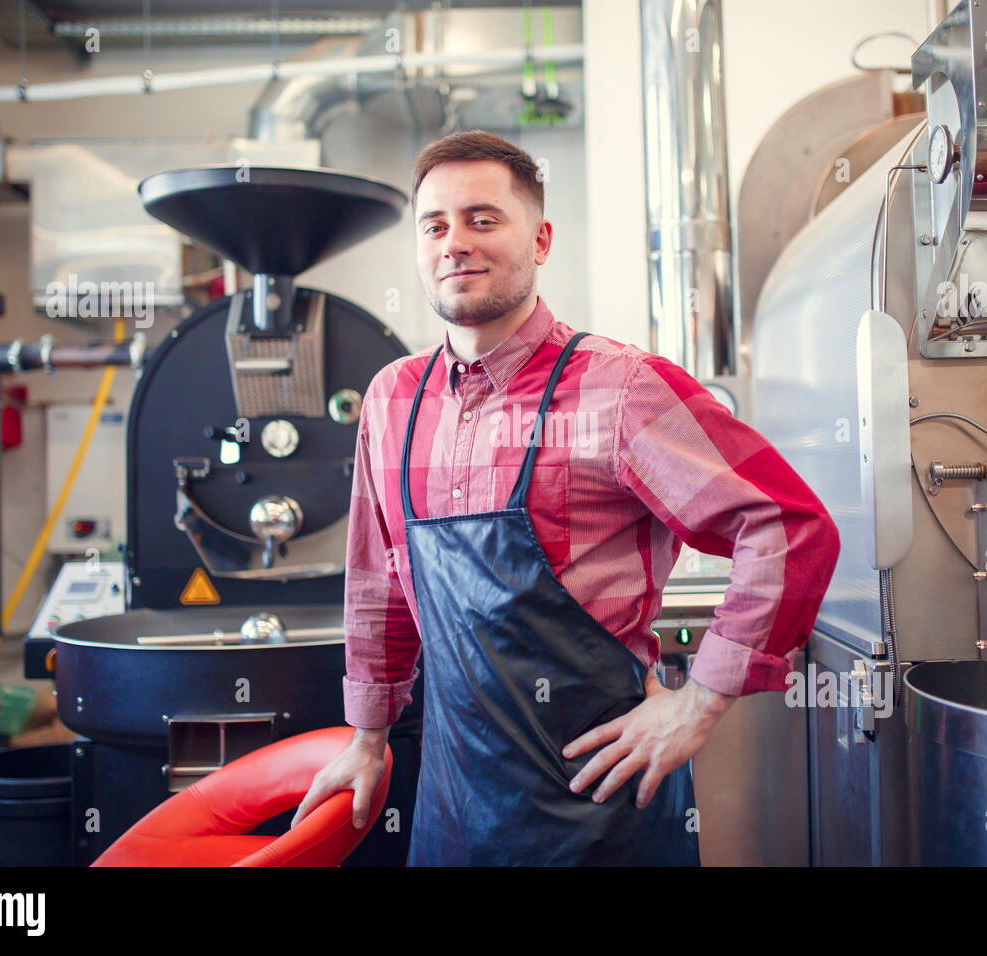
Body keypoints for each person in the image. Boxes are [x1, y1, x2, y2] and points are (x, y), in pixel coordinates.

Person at [290, 129, 839, 865]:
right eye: (435, 225)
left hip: (603, 809)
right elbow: (380, 585)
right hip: (453, 811)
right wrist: (368, 738)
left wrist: (700, 703)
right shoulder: (394, 400)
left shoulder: (619, 388)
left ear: (540, 239)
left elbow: (788, 526)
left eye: (483, 219)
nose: (455, 242)